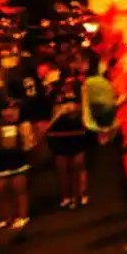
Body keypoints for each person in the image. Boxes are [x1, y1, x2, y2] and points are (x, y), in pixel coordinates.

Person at [0, 92, 35, 230]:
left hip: (18, 161)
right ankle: (8, 216)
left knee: (19, 187)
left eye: (14, 110)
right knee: (1, 189)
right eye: (7, 110)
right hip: (2, 162)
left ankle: (22, 215)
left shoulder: (23, 125)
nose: (10, 113)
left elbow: (28, 145)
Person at [47, 73, 90, 209]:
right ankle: (66, 196)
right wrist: (59, 111)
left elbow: (85, 108)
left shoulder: (80, 88)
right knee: (62, 168)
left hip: (77, 132)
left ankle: (81, 194)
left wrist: (76, 109)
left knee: (78, 165)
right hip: (58, 134)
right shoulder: (52, 90)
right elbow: (48, 110)